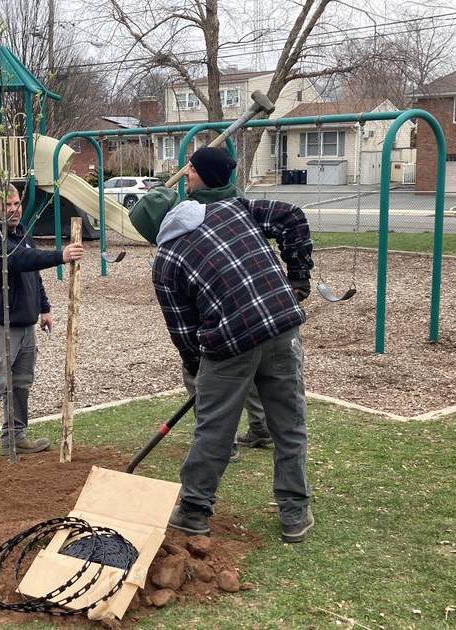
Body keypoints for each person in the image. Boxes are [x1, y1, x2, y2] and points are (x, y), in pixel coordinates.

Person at [129, 146, 316, 543]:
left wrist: (202, 375)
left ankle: (194, 511)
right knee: (289, 425)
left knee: (213, 432)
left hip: (229, 343)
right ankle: (294, 515)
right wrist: (298, 280)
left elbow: (183, 331)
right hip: (282, 326)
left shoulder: (166, 260)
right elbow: (291, 218)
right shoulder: (229, 209)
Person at [0, 183, 85, 466]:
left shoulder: (21, 233)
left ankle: (15, 436)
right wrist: (59, 255)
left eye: (16, 205)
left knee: (21, 384)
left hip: (25, 326)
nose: (14, 211)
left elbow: (32, 272)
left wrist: (44, 307)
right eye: (8, 206)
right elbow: (19, 260)